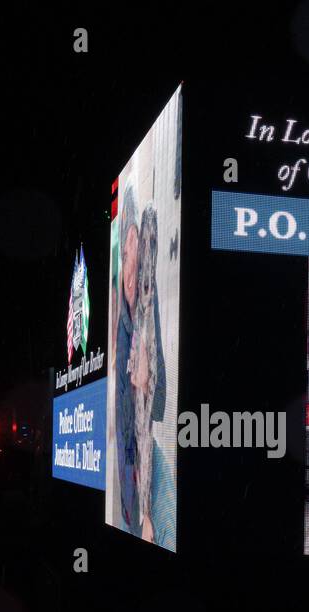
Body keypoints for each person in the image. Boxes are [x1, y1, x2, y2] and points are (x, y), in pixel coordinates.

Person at [111, 186, 174, 549]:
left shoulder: (143, 298)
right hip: (134, 467)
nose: (132, 250)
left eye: (137, 239)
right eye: (130, 240)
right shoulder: (126, 303)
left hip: (144, 459)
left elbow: (144, 408)